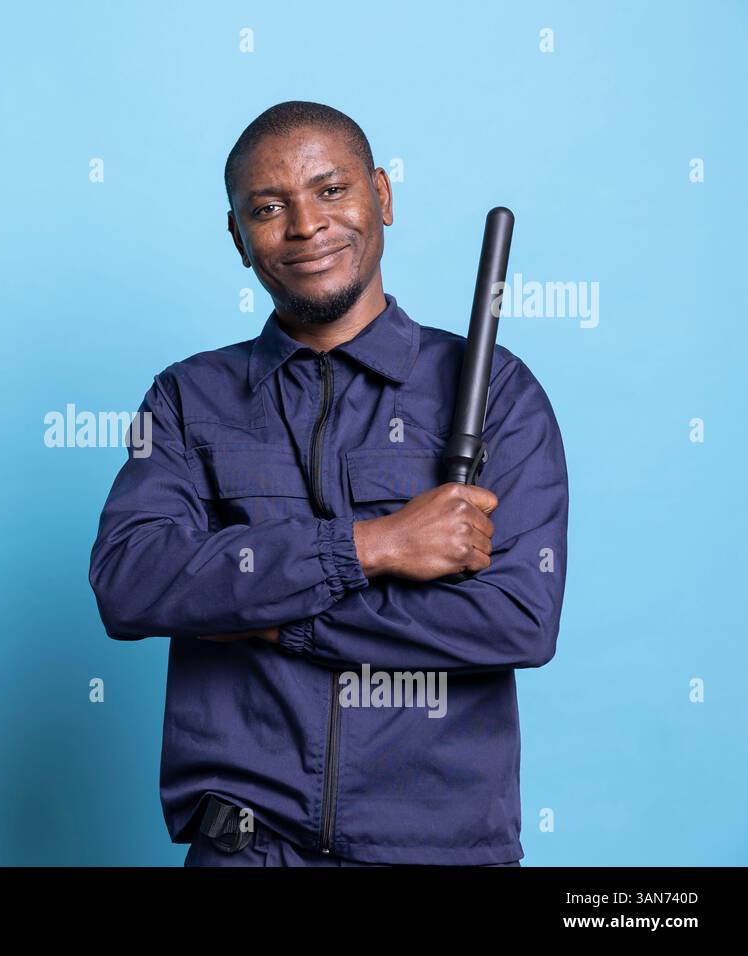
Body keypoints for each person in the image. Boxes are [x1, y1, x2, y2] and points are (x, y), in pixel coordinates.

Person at [87, 101, 569, 867]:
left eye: (331, 190)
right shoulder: (187, 399)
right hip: (247, 850)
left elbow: (514, 620)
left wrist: (275, 621)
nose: (306, 226)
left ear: (381, 194)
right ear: (238, 238)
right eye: (268, 208)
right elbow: (130, 581)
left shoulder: (498, 392)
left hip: (440, 854)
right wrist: (369, 546)